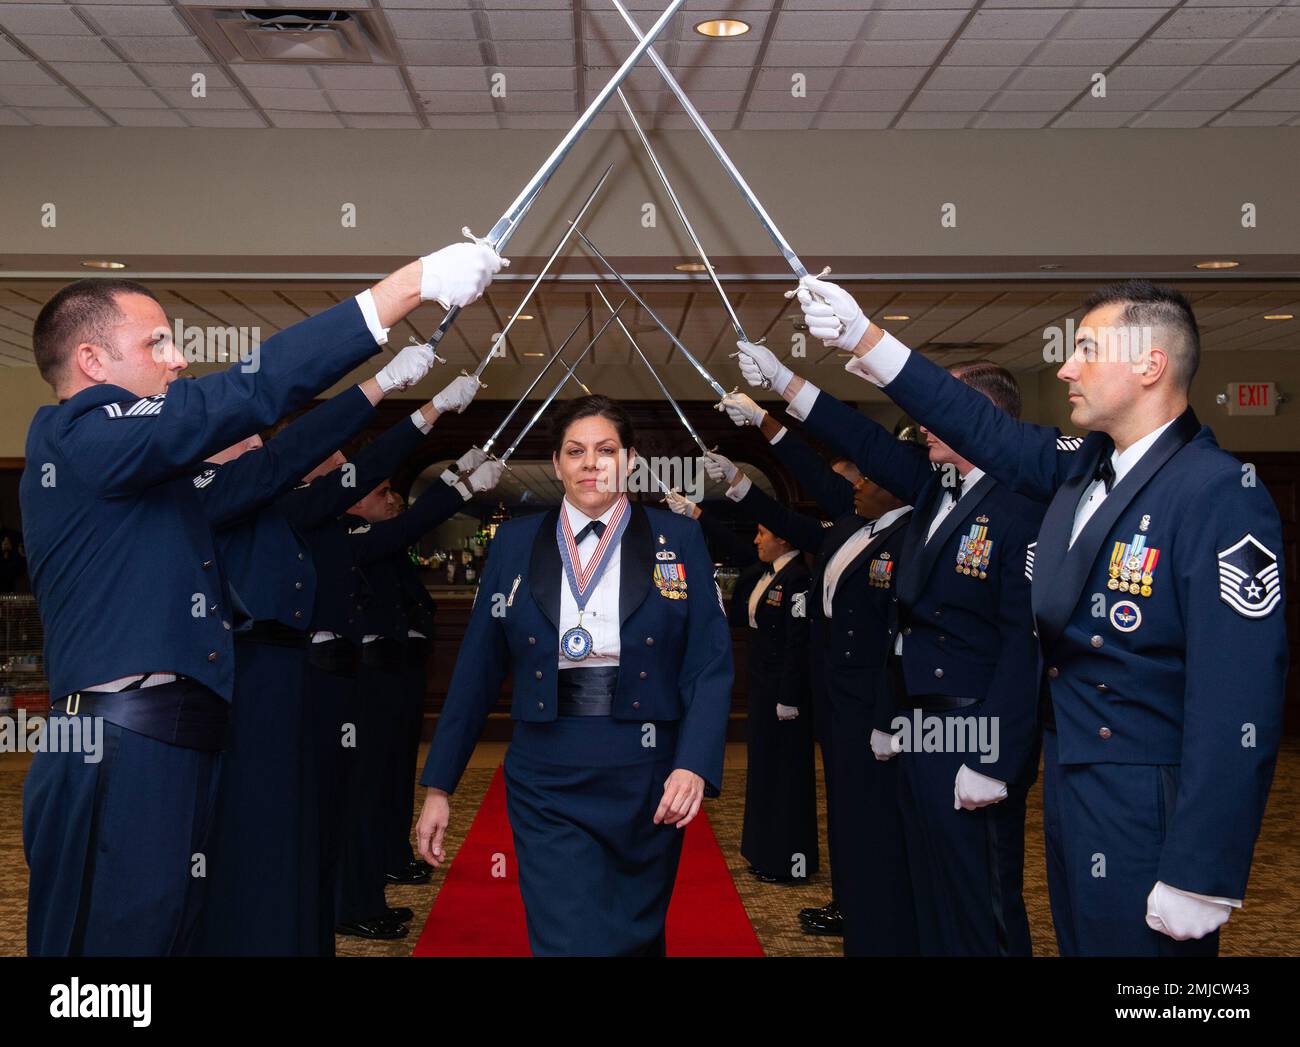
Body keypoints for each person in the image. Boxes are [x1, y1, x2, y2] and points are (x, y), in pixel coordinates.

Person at [20, 240, 502, 956]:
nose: (178, 358)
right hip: (115, 744)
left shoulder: (148, 474)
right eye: (156, 341)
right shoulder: (73, 434)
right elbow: (247, 389)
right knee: (105, 955)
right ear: (92, 363)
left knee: (168, 932)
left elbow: (276, 457)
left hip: (172, 740)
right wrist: (407, 288)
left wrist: (388, 397)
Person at [790, 275, 1288, 956]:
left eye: (1088, 348)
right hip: (1073, 780)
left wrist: (1203, 868)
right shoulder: (1082, 467)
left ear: (1149, 365)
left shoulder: (1216, 493)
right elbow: (976, 423)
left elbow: (1239, 702)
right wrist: (864, 340)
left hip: (1150, 801)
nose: (1065, 365)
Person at [734, 343, 1043, 957]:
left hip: (976, 724)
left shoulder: (1021, 502)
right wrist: (787, 385)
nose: (922, 424)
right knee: (928, 880)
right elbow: (866, 446)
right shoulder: (939, 490)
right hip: (921, 721)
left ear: (980, 418)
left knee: (980, 894)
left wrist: (996, 758)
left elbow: (1026, 644)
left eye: (937, 407)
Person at [415, 395, 733, 956]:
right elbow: (477, 668)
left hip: (646, 771)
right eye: (576, 451)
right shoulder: (515, 542)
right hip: (547, 769)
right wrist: (440, 786)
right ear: (558, 464)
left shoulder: (677, 539)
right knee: (567, 939)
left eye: (606, 450)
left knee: (633, 937)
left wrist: (693, 763)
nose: (592, 463)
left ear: (629, 461)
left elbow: (708, 662)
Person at [188, 367, 478, 955]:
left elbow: (353, 481)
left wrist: (430, 420)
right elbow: (349, 488)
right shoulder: (212, 495)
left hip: (293, 679)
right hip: (257, 679)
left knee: (307, 823)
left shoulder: (267, 505)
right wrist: (425, 414)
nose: (259, 447)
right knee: (273, 829)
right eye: (245, 439)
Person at [695, 405, 919, 957]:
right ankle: (852, 904)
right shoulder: (852, 525)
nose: (857, 485)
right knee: (846, 808)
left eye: (867, 477)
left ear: (899, 486)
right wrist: (742, 482)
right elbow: (790, 518)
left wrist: (772, 415)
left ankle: (873, 909)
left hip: (875, 698)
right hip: (836, 696)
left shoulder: (908, 531)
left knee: (873, 815)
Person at [688, 500, 817, 887]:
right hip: (762, 689)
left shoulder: (798, 578)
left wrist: (790, 696)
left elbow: (798, 643)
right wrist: (698, 516)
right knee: (763, 775)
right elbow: (736, 547)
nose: (756, 540)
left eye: (762, 534)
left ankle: (789, 861)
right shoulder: (767, 571)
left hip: (784, 696)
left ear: (782, 540)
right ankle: (764, 853)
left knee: (786, 778)